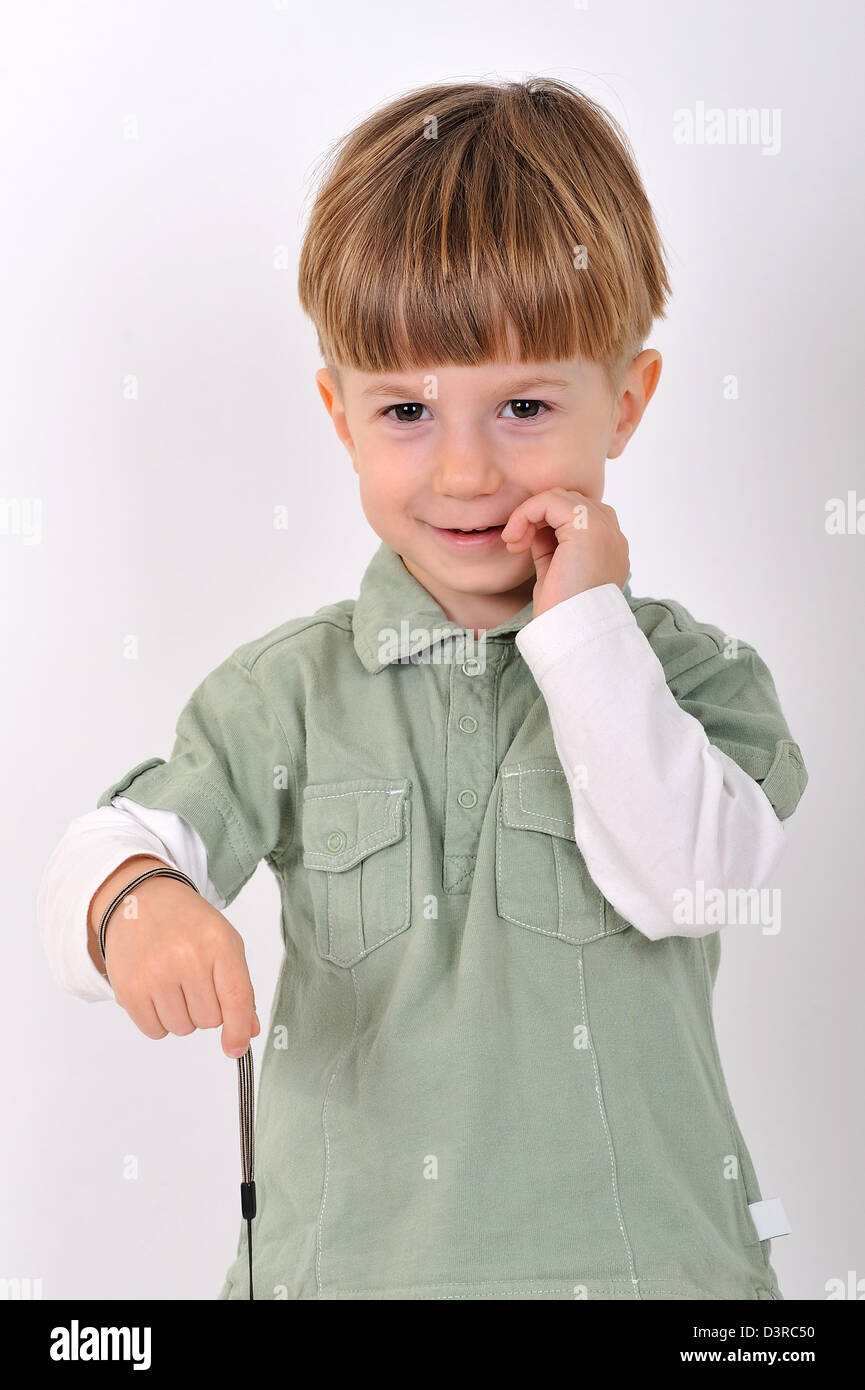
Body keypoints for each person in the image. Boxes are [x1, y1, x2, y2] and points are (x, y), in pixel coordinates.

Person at [37, 76, 808, 1300]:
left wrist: (584, 630)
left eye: (521, 404)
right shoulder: (288, 692)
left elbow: (694, 878)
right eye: (405, 408)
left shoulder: (696, 679)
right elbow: (109, 840)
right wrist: (136, 900)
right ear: (338, 415)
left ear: (629, 400)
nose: (462, 467)